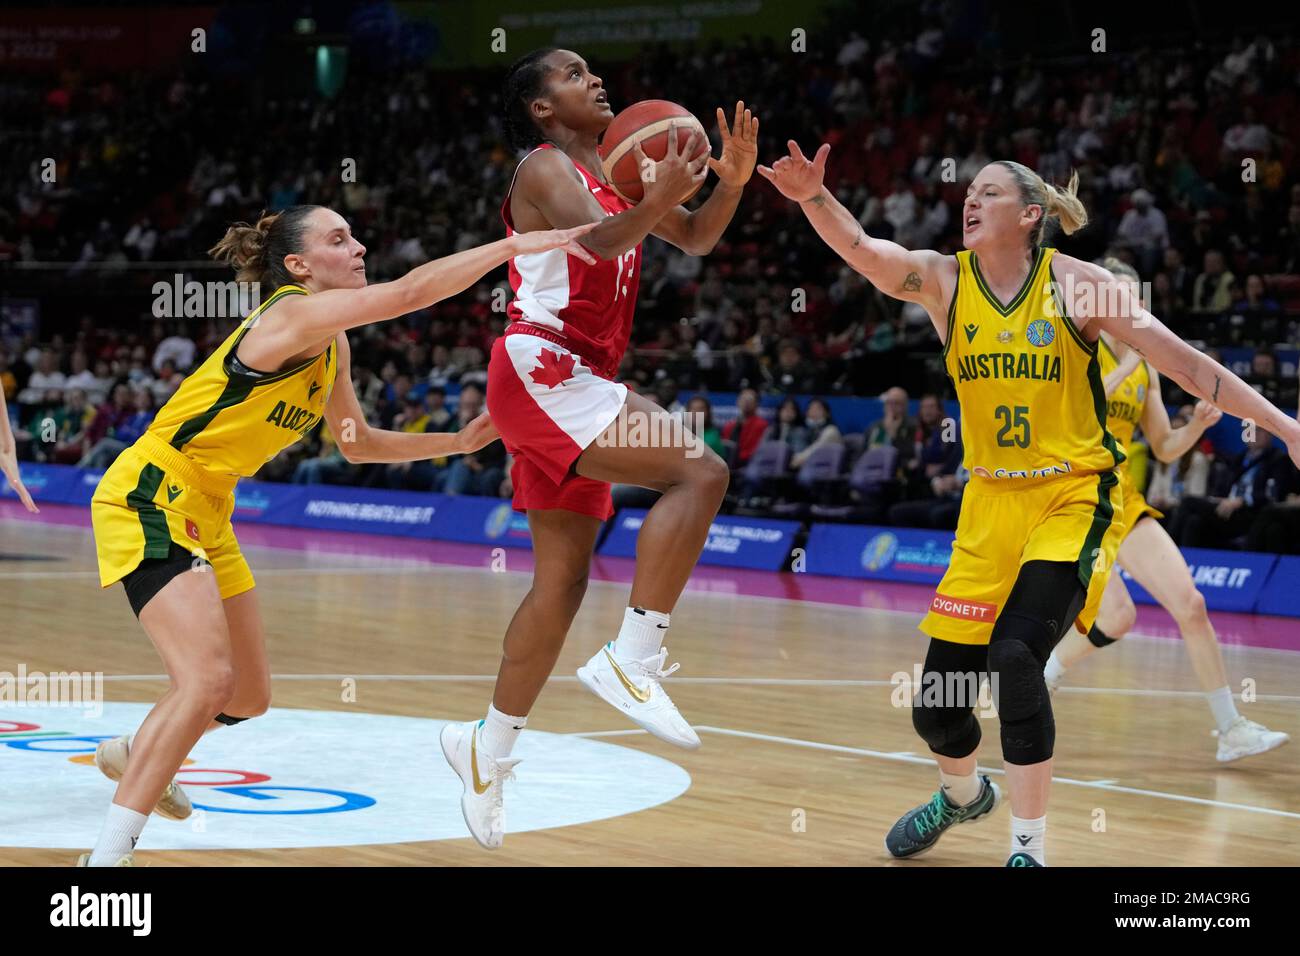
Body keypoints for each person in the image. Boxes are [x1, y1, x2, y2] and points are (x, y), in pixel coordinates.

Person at [759, 141, 1300, 866]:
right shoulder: (945, 283)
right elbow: (862, 248)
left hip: (1071, 499)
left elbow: (1189, 365)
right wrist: (811, 198)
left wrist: (1288, 427)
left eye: (988, 194)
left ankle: (1029, 848)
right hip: (988, 510)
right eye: (968, 193)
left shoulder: (1080, 286)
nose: (970, 202)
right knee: (939, 709)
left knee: (1016, 658)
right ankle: (961, 797)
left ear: (1032, 215)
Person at [80, 204, 592, 866]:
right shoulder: (290, 314)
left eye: (354, 237)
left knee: (247, 696)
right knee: (206, 680)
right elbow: (409, 293)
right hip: (152, 489)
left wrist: (457, 441)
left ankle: (138, 750)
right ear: (298, 266)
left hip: (210, 506)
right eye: (338, 239)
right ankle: (106, 861)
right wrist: (517, 245)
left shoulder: (334, 345)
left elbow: (354, 444)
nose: (359, 248)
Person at [438, 49, 757, 851]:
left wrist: (733, 181)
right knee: (701, 469)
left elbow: (697, 240)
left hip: (572, 379)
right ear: (543, 108)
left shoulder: (619, 174)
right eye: (574, 75)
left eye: (592, 72)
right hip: (544, 367)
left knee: (562, 582)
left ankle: (488, 746)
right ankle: (634, 657)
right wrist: (655, 200)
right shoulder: (543, 168)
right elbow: (609, 244)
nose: (596, 80)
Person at [1044, 259, 1289, 763]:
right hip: (1069, 498)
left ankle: (1231, 729)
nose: (1128, 307)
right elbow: (1074, 410)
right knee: (1118, 615)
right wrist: (1132, 365)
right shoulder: (1074, 349)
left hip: (1122, 498)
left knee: (1191, 605)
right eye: (1118, 296)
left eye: (1134, 298)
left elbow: (1163, 447)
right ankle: (1043, 672)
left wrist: (1196, 425)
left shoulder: (1145, 371)